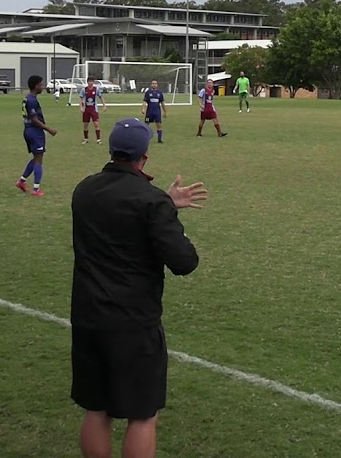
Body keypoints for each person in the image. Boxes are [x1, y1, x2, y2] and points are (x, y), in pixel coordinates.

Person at [70, 118, 207, 458]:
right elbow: (184, 261)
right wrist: (167, 210)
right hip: (133, 322)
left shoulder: (84, 189)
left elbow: (120, 213)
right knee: (143, 414)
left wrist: (163, 203)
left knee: (96, 408)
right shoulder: (151, 202)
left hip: (88, 316)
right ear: (144, 157)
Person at [17, 75, 57, 196]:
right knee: (39, 160)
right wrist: (48, 129)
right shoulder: (32, 100)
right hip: (34, 132)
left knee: (36, 158)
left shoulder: (27, 98)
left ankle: (21, 181)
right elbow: (34, 119)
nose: (42, 87)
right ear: (35, 86)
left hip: (28, 130)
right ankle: (36, 189)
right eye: (41, 85)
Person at [81, 77, 107, 145]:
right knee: (85, 125)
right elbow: (81, 98)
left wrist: (104, 105)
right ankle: (86, 139)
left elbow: (101, 97)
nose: (91, 83)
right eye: (89, 81)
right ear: (87, 82)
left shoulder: (96, 89)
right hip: (86, 110)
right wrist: (81, 107)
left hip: (94, 109)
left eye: (92, 81)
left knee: (96, 124)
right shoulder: (84, 90)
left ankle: (98, 139)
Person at [142, 80, 167, 144]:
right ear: (151, 85)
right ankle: (145, 139)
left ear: (157, 85)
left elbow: (162, 103)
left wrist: (165, 111)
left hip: (157, 113)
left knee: (159, 125)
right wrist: (143, 109)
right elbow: (145, 101)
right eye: (153, 83)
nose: (154, 85)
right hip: (149, 113)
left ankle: (159, 140)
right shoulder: (148, 92)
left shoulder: (159, 93)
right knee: (146, 125)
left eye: (155, 83)